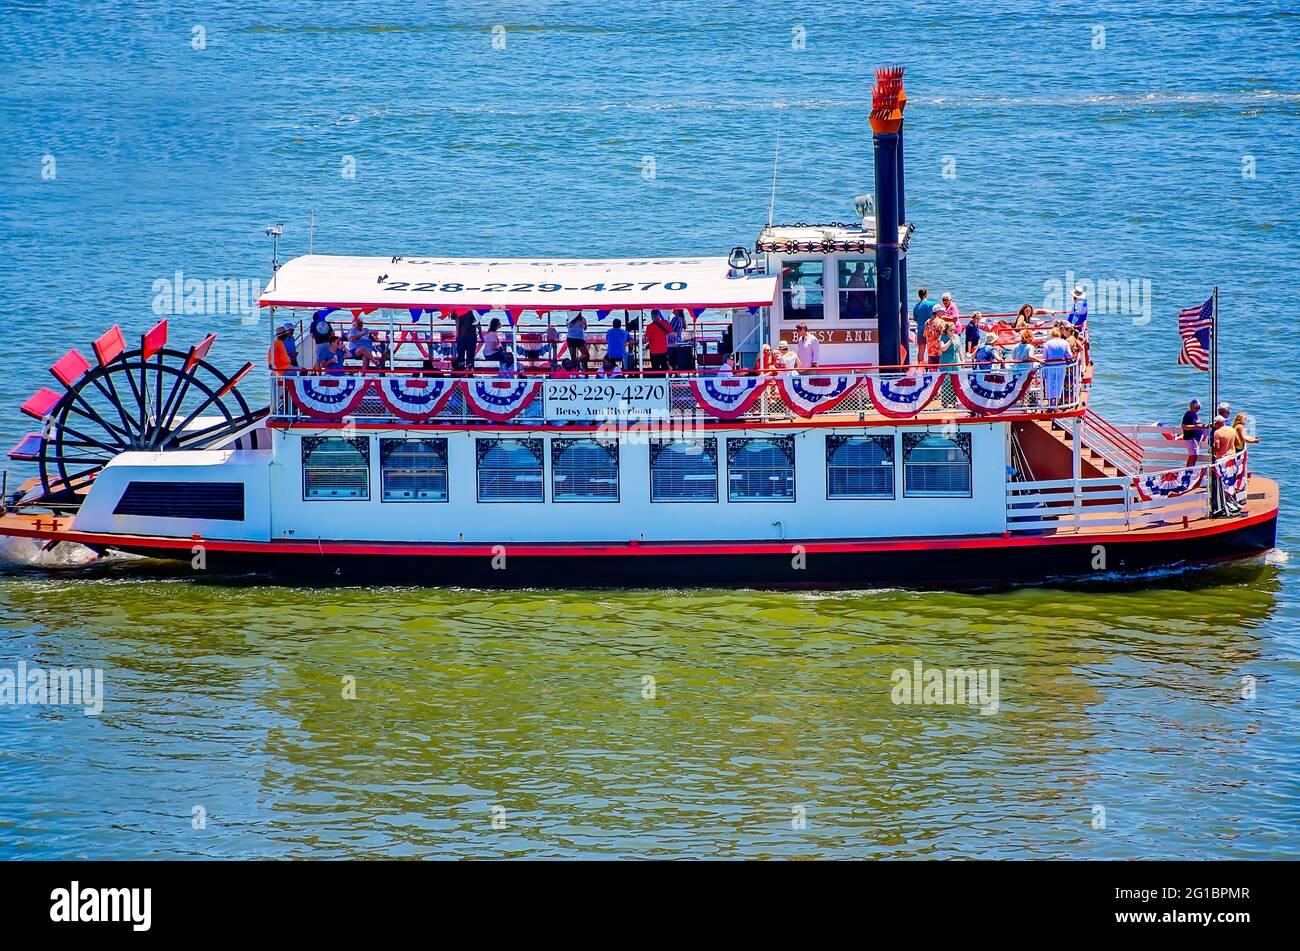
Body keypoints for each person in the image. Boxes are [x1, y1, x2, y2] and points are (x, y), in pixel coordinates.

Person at [1210, 416, 1242, 517]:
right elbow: (1237, 443)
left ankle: (1223, 503)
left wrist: (1213, 448)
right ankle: (1231, 501)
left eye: (1215, 424)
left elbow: (1218, 447)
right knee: (1230, 481)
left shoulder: (1217, 433)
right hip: (1232, 459)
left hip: (1222, 460)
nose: (1215, 425)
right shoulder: (1232, 430)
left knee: (1221, 482)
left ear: (1219, 423)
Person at [1040, 327, 1072, 406]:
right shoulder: (1064, 343)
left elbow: (1044, 357)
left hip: (1049, 367)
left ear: (1051, 334)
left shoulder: (1047, 344)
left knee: (1049, 385)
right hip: (1061, 366)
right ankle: (1055, 405)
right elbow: (1069, 355)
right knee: (1059, 384)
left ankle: (1050, 405)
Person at [1180, 399, 1206, 465]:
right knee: (1193, 456)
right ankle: (1188, 471)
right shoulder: (1188, 414)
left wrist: (1203, 425)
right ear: (1191, 406)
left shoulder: (1195, 415)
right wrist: (1196, 426)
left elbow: (1197, 423)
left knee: (1194, 456)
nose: (1197, 409)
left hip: (1195, 439)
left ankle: (1189, 471)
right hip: (1191, 438)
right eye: (1196, 407)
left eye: (1198, 407)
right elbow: (1184, 426)